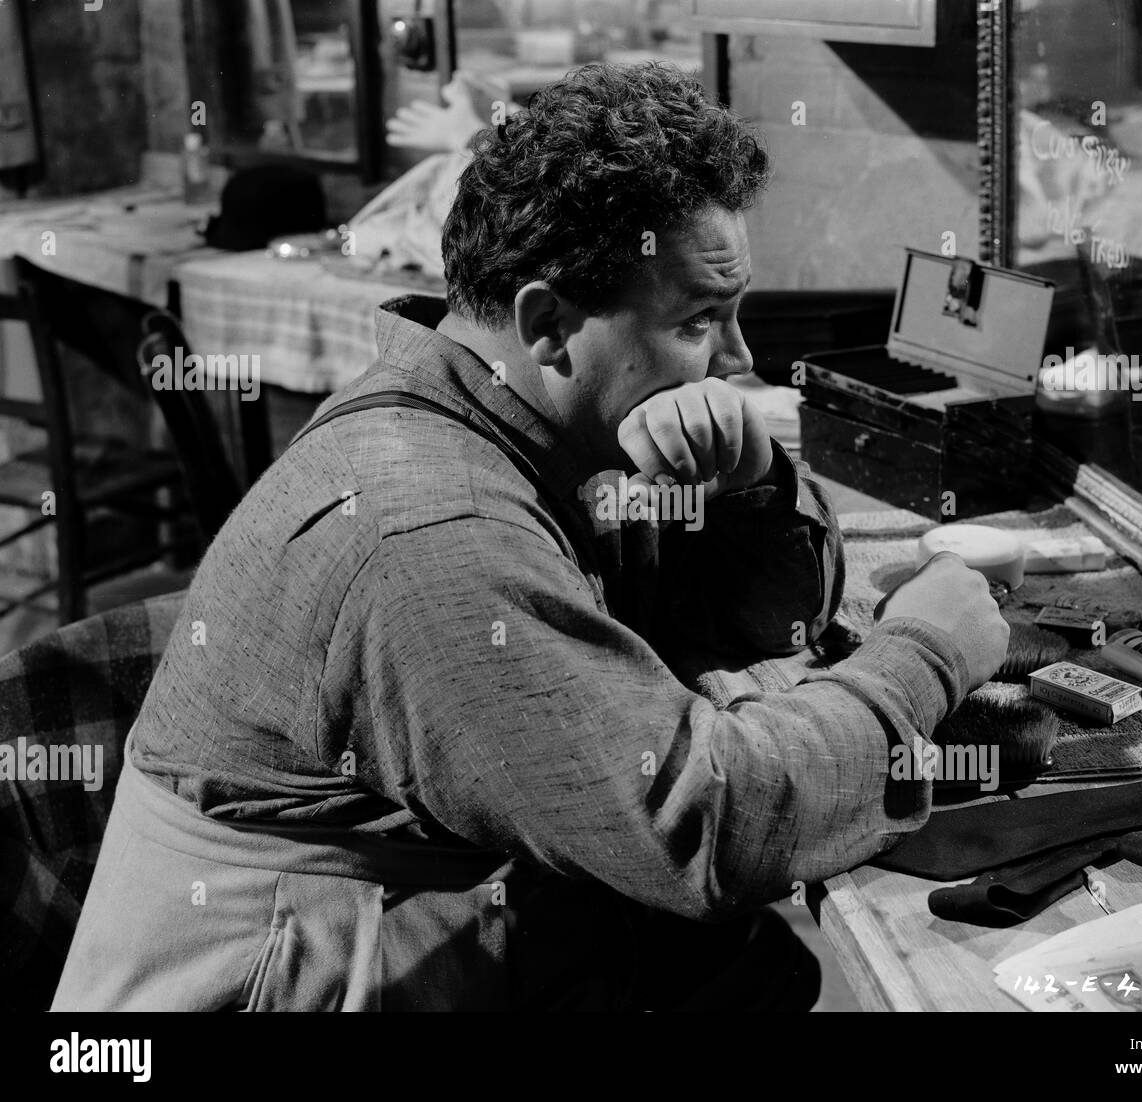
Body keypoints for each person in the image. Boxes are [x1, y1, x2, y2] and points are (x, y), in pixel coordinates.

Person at [52, 62, 1008, 1012]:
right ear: (547, 324)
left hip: (410, 929)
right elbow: (709, 822)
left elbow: (755, 626)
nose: (739, 359)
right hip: (292, 978)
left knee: (750, 969)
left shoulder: (514, 423)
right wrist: (925, 656)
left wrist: (750, 488)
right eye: (700, 320)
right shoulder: (434, 527)